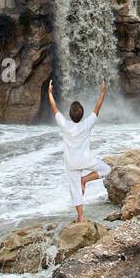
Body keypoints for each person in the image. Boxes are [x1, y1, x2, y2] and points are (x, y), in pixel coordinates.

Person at [48, 79, 109, 223]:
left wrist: (49, 93)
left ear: (69, 115)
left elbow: (54, 108)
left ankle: (80, 216)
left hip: (70, 162)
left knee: (75, 189)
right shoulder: (87, 124)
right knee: (107, 170)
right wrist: (102, 92)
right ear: (82, 115)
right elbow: (97, 107)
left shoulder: (64, 125)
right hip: (85, 159)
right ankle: (85, 180)